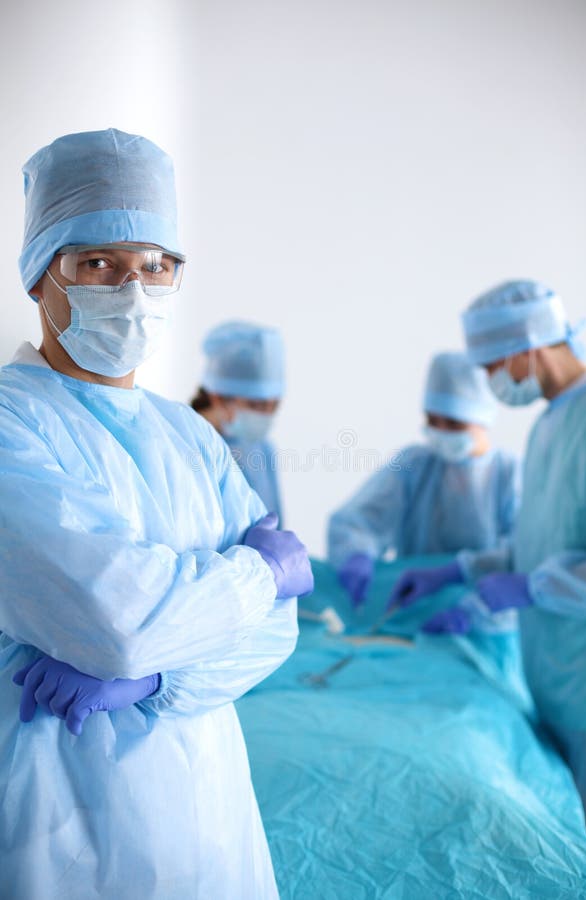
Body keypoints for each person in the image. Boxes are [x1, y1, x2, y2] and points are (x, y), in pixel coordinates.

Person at [0, 128, 313, 899]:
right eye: (98, 264)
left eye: (155, 265)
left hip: (209, 809)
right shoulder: (12, 423)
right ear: (40, 276)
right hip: (62, 812)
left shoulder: (190, 435)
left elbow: (278, 630)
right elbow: (119, 621)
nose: (133, 291)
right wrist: (257, 571)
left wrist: (157, 680)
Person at [397, 279, 586, 849]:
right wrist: (461, 570)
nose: (489, 381)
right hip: (556, 678)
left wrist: (533, 587)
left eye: (491, 366)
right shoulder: (549, 424)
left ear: (527, 347)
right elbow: (541, 537)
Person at [327, 352, 520, 632]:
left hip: (485, 626)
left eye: (454, 424)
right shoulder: (414, 465)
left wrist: (474, 608)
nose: (440, 432)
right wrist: (355, 555)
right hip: (411, 614)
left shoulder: (510, 475)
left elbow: (522, 556)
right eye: (432, 420)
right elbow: (356, 521)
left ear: (483, 416)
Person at [191, 321, 284, 522]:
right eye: (256, 405)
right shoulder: (186, 445)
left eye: (274, 405)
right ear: (218, 397)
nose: (266, 415)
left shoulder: (261, 448)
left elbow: (275, 525)